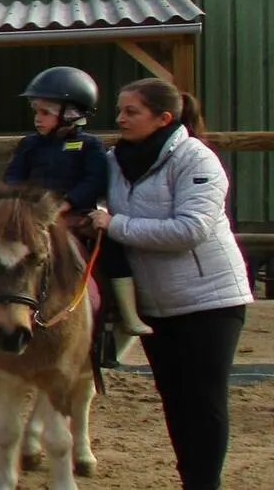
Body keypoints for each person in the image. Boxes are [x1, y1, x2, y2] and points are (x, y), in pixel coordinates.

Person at [88, 77, 253, 490]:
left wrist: (116, 224)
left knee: (203, 400)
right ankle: (191, 480)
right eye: (120, 110)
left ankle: (203, 484)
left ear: (163, 118)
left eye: (131, 111)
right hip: (155, 302)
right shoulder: (114, 161)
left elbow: (189, 230)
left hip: (209, 301)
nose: (120, 118)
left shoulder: (197, 160)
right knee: (175, 401)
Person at [0, 66, 153, 336]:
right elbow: (13, 176)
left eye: (45, 112)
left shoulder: (90, 146)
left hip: (74, 216)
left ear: (71, 114)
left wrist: (66, 204)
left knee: (112, 249)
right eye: (36, 111)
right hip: (29, 217)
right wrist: (15, 206)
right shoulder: (29, 145)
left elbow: (93, 181)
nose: (37, 118)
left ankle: (126, 313)